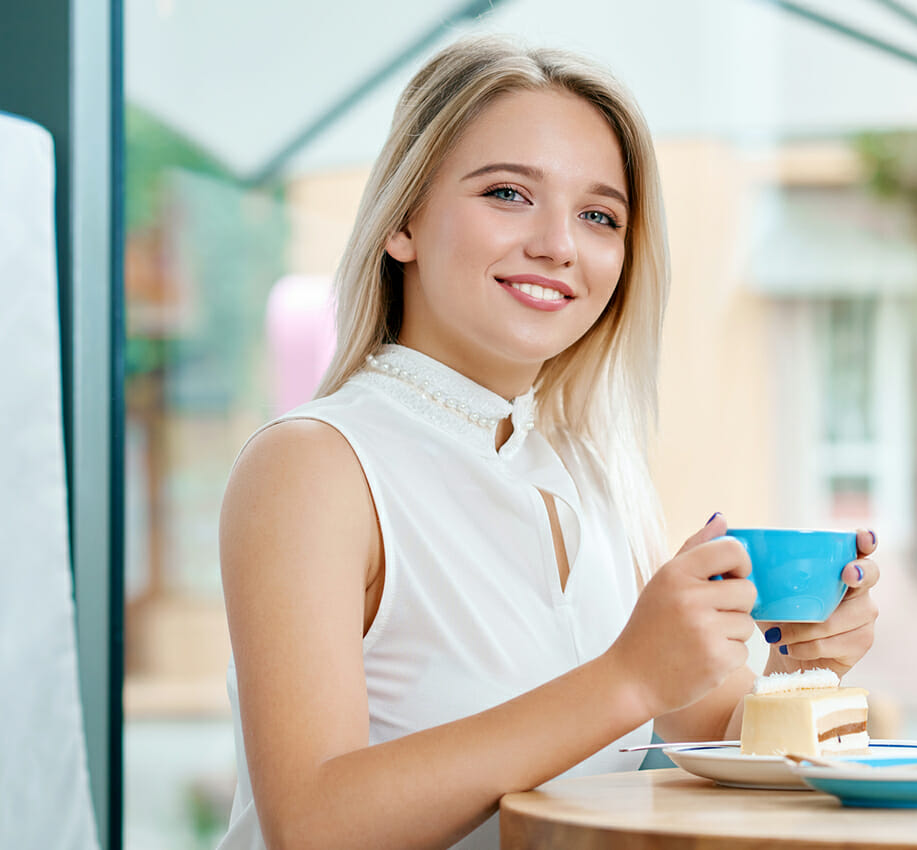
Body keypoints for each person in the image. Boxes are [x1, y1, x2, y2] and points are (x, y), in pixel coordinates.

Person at [217, 35, 880, 850]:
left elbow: (708, 731)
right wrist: (628, 675)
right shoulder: (313, 465)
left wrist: (801, 669)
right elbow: (313, 824)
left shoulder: (598, 469)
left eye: (599, 215)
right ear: (402, 223)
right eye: (507, 193)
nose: (559, 245)